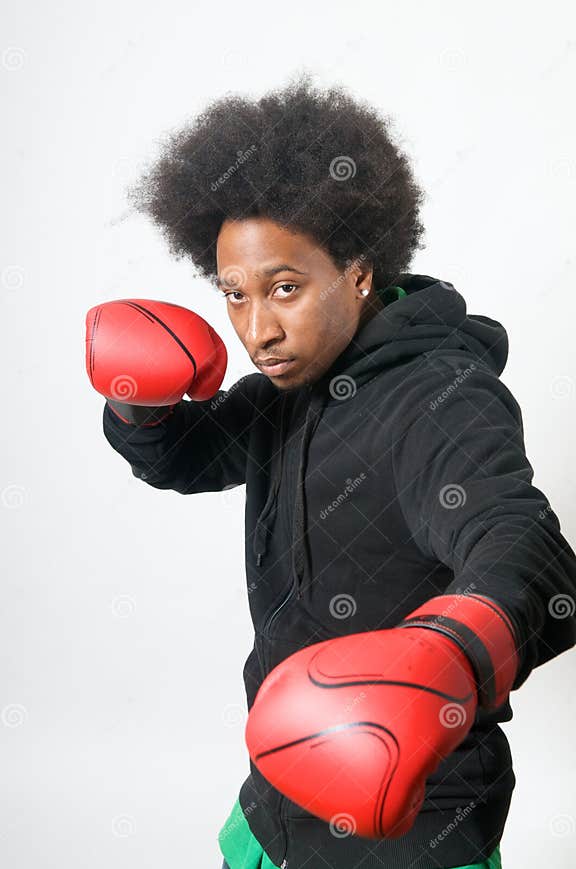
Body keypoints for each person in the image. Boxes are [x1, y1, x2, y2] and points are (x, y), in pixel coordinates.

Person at [89, 73, 576, 869]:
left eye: (285, 289)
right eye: (235, 296)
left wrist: (451, 650)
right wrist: (137, 401)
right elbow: (188, 452)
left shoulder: (440, 397)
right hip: (278, 794)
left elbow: (519, 535)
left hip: (416, 817)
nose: (257, 330)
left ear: (357, 271)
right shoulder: (294, 387)